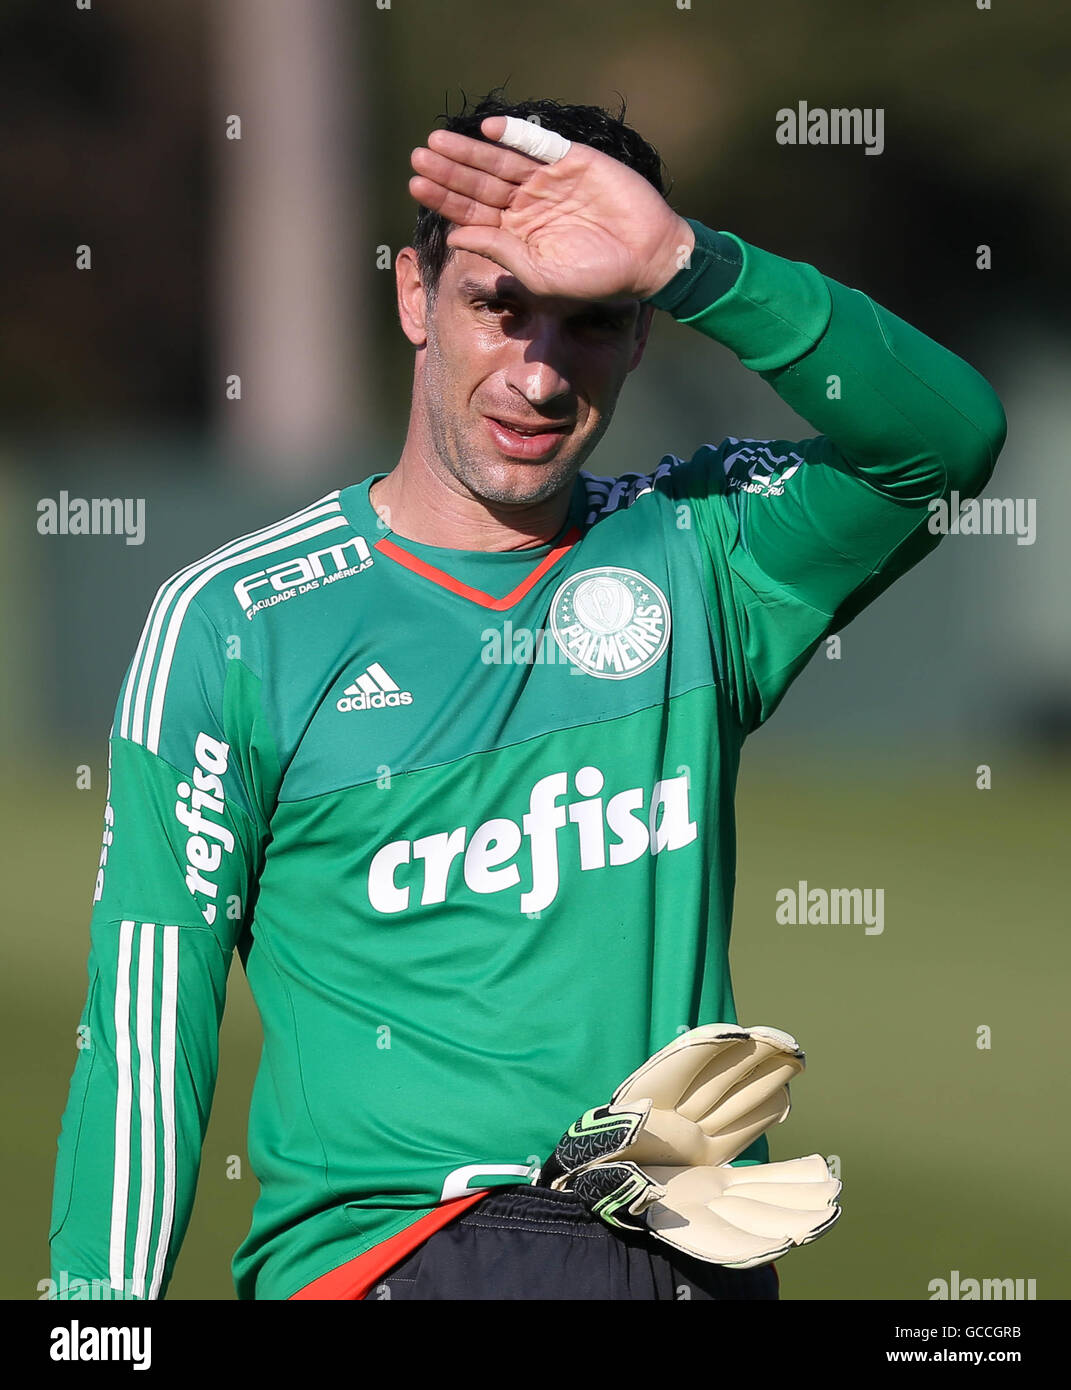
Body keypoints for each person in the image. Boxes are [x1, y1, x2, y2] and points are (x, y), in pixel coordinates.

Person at [48, 92, 1006, 1302]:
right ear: (413, 295)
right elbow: (147, 1026)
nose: (541, 374)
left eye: (594, 321)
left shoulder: (700, 547)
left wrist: (687, 259)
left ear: (645, 334)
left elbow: (947, 439)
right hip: (399, 1261)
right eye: (499, 307)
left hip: (680, 1260)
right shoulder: (239, 621)